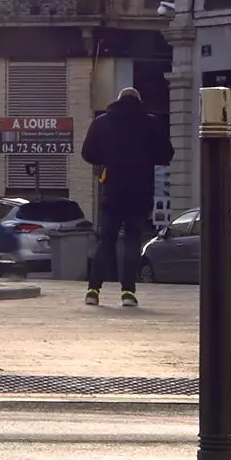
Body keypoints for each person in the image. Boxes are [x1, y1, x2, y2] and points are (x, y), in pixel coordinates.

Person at [78, 82, 162, 309]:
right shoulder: (150, 123)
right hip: (140, 193)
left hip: (112, 191)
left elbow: (87, 153)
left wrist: (107, 158)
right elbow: (166, 153)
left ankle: (93, 290)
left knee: (106, 241)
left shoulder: (102, 123)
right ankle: (128, 292)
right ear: (139, 102)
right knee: (133, 242)